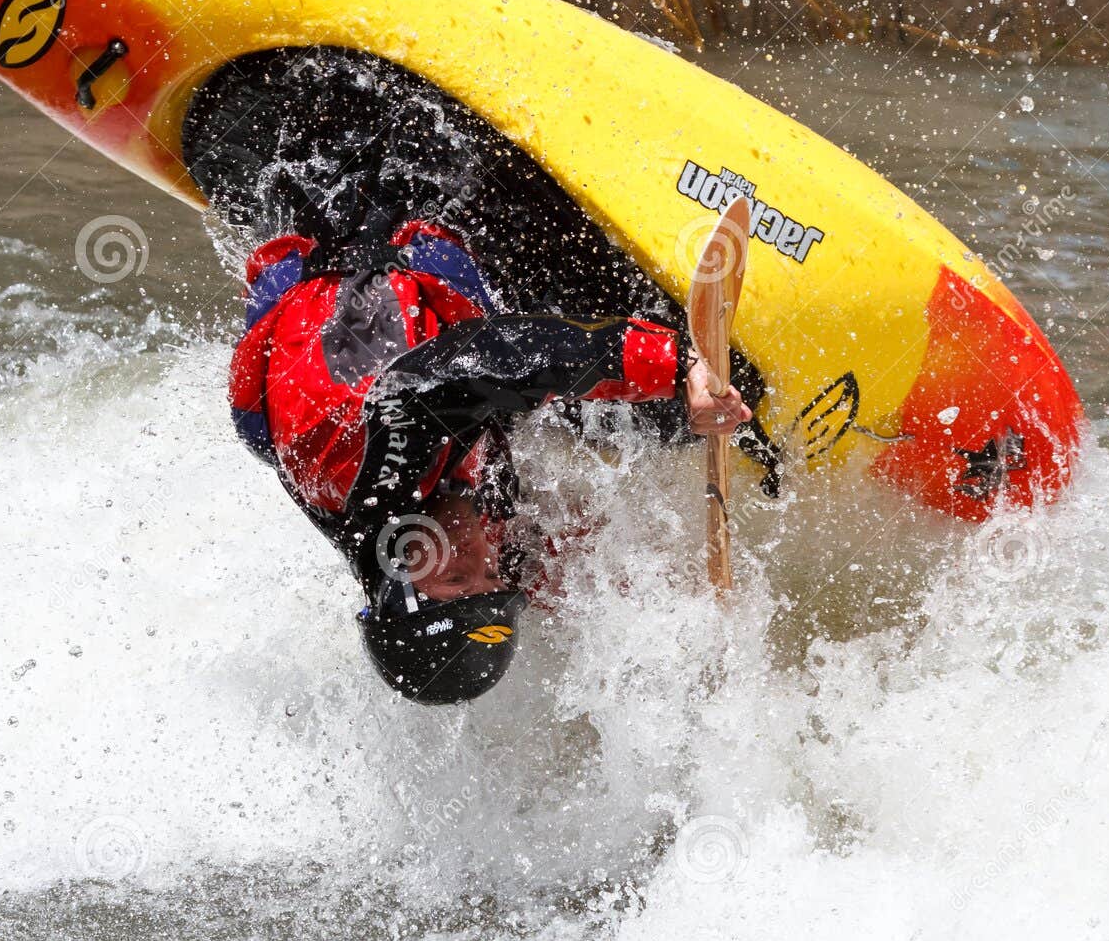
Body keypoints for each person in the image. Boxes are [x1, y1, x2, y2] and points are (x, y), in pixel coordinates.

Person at [228, 183, 750, 706]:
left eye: (460, 576)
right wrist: (672, 617)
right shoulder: (423, 539)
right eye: (490, 575)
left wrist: (676, 368)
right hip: (410, 269)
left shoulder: (360, 463)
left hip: (369, 188)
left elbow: (484, 360)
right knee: (669, 427)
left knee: (686, 385)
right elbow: (536, 553)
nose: (480, 555)